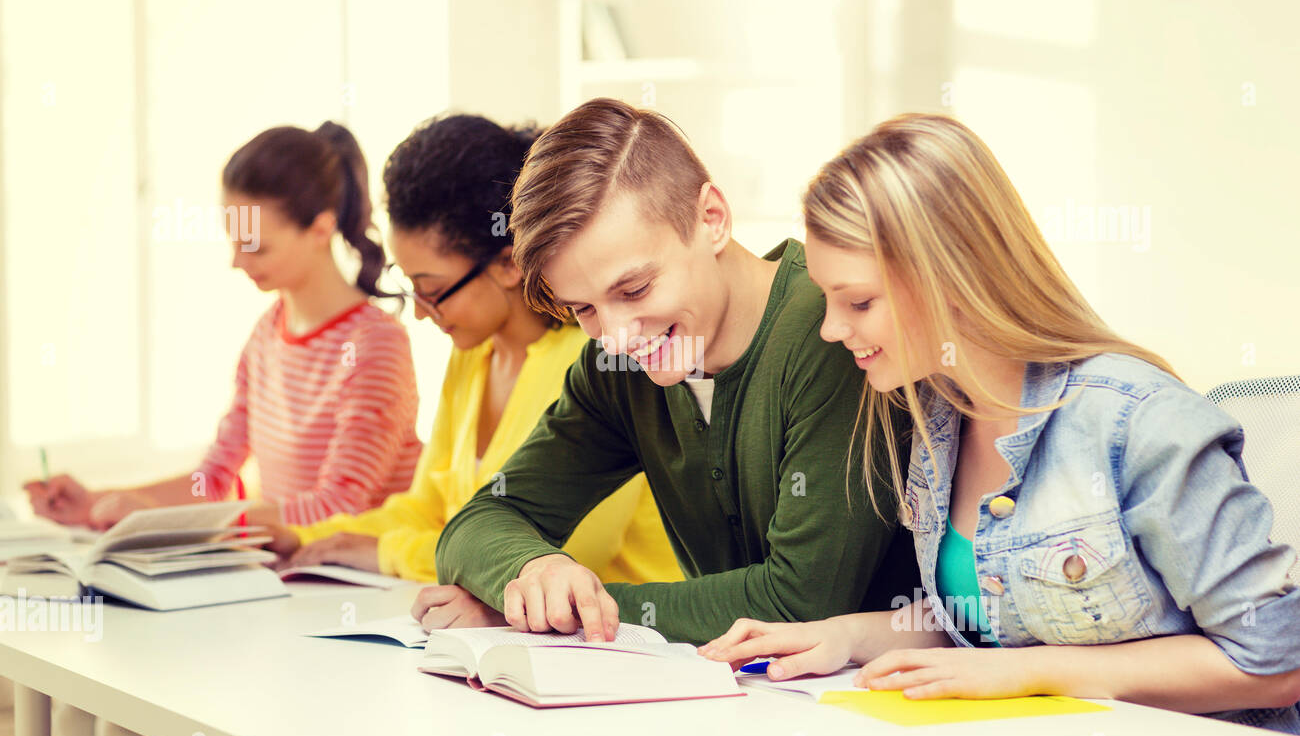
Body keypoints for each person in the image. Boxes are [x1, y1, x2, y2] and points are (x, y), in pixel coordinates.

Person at [700, 113, 1300, 734]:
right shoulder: (936, 418)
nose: (831, 328)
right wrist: (841, 636)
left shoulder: (1138, 419)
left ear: (949, 280)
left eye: (858, 302)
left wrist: (1029, 674)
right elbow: (993, 620)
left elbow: (1276, 662)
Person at [428, 97, 919, 646]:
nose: (616, 336)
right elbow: (485, 517)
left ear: (711, 219)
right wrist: (535, 574)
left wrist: (574, 610)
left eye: (634, 288)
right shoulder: (618, 365)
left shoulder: (834, 333)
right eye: (583, 309)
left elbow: (800, 600)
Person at [264, 114, 682, 618]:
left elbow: (567, 551)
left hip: (626, 646)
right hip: (517, 637)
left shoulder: (600, 362)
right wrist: (303, 537)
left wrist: (387, 553)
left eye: (434, 290)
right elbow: (429, 507)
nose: (420, 311)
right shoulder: (474, 355)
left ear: (509, 264)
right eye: (411, 286)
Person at [24, 123, 423, 530]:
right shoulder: (267, 334)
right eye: (234, 242)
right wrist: (96, 503)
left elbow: (337, 509)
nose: (237, 262)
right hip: (293, 576)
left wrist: (162, 516)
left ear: (320, 230)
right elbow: (214, 478)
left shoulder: (376, 344)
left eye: (255, 247)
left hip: (361, 582)